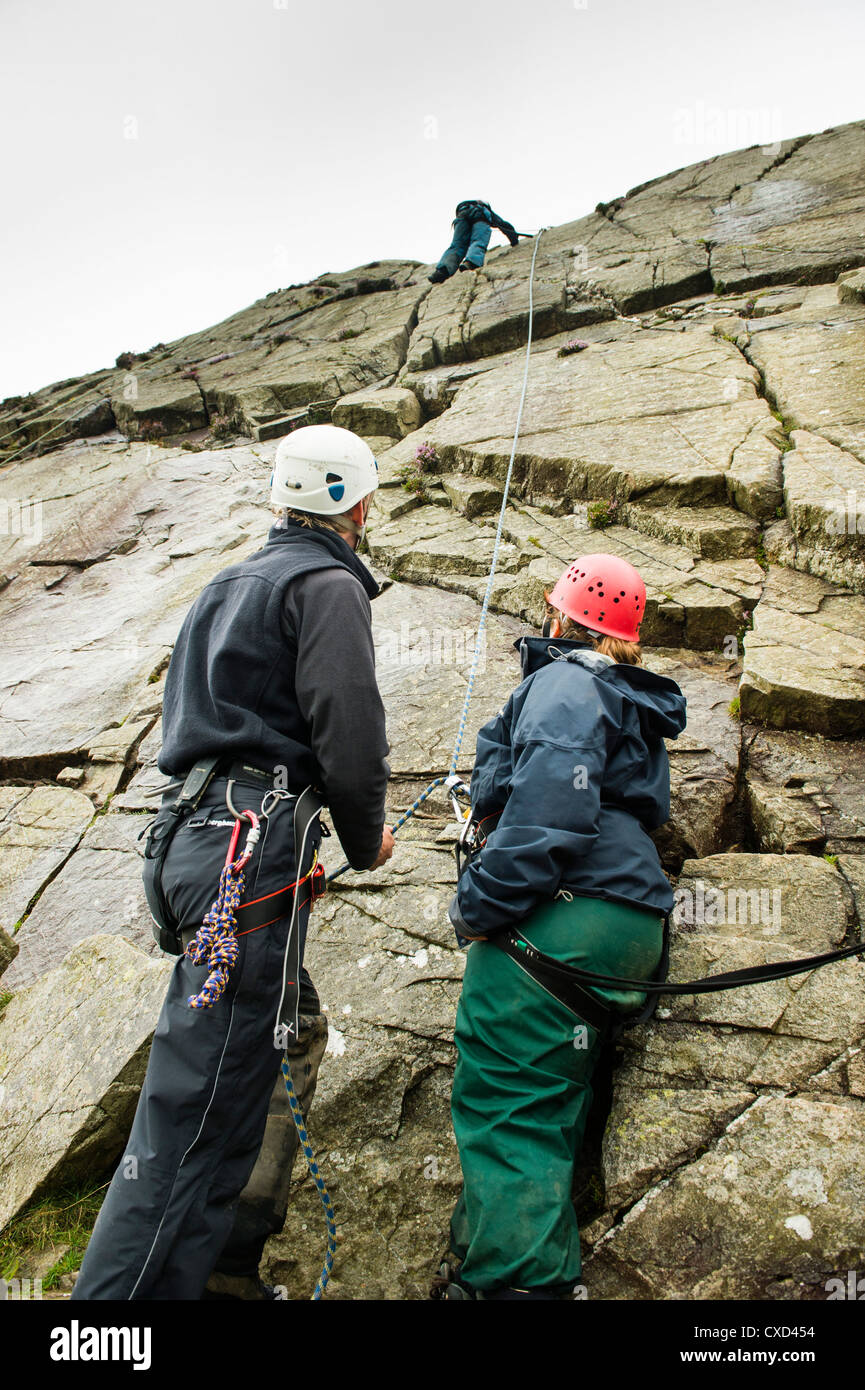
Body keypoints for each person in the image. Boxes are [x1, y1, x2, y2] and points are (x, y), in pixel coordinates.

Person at [72, 424, 394, 1301]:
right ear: (355, 503)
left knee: (286, 1035)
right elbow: (350, 735)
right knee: (192, 1116)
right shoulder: (326, 583)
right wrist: (366, 840)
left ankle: (220, 1266)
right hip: (242, 859)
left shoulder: (230, 580)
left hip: (190, 846)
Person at [438, 553, 687, 1300]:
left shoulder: (564, 681)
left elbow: (552, 808)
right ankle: (492, 1266)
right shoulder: (628, 698)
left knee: (506, 1103)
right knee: (547, 1103)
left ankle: (516, 1286)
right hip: (629, 924)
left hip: (562, 922)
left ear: (560, 617)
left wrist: (475, 905)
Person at [428, 199, 521, 283]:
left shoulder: (466, 206)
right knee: (478, 241)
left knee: (457, 245)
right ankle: (471, 263)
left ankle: (442, 271)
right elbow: (503, 224)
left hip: (461, 214)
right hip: (480, 215)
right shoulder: (484, 208)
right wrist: (514, 239)